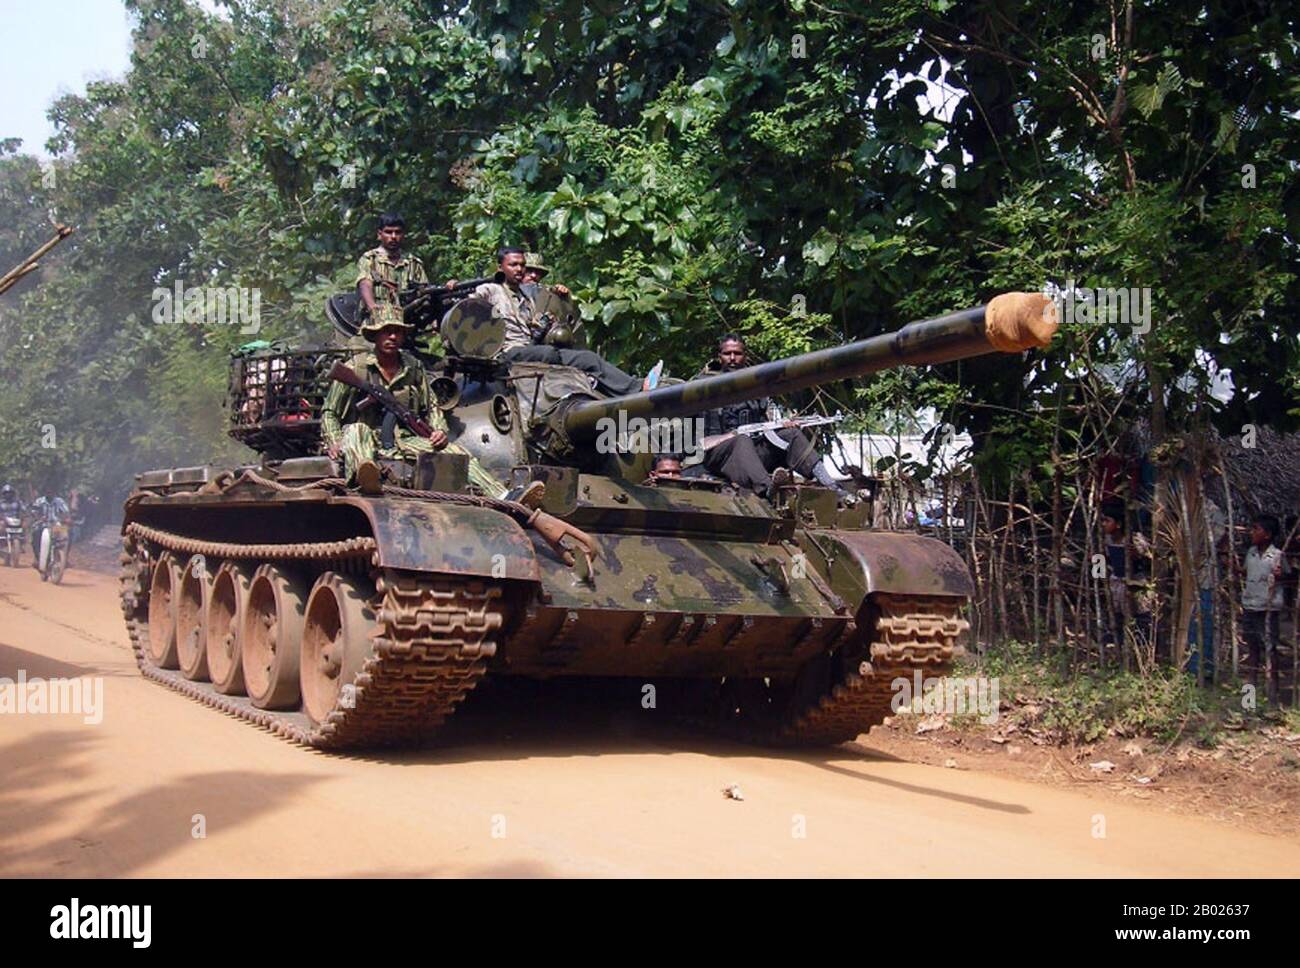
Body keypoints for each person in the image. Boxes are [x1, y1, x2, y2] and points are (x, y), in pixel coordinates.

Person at [321, 306, 509, 498]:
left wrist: (439, 431)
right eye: (386, 331)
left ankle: (503, 495)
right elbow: (329, 411)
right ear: (375, 335)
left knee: (456, 452)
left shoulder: (413, 368)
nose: (392, 337)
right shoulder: (357, 367)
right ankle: (366, 478)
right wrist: (334, 440)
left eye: (398, 332)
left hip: (405, 440)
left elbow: (432, 406)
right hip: (363, 439)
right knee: (356, 430)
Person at [467, 247, 650, 395]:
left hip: (529, 349)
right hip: (507, 352)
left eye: (522, 265)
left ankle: (635, 387)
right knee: (549, 354)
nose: (519, 269)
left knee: (587, 358)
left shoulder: (527, 298)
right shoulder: (491, 290)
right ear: (500, 267)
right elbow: (466, 305)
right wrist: (454, 288)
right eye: (513, 265)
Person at [692, 333, 849, 501]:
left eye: (737, 353)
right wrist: (678, 461)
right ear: (719, 356)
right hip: (717, 456)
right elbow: (685, 426)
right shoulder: (702, 386)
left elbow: (763, 425)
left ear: (745, 356)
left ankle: (831, 486)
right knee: (741, 440)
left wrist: (780, 426)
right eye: (727, 353)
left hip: (751, 455)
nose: (732, 358)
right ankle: (768, 490)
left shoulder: (754, 386)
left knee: (791, 434)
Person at [1239, 513, 1290, 705]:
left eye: (1256, 529)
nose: (1252, 532)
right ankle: (1248, 701)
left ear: (1267, 534)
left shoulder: (1277, 555)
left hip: (1268, 609)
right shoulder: (1251, 553)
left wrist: (1280, 574)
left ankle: (1272, 697)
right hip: (1250, 607)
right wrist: (1233, 567)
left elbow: (1287, 576)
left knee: (1270, 651)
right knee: (1252, 652)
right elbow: (1246, 572)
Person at [356, 213, 428, 327]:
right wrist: (373, 308)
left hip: (405, 323)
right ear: (379, 234)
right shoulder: (370, 259)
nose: (393, 236)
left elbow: (425, 292)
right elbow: (365, 283)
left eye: (398, 232)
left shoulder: (413, 263)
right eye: (388, 232)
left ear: (403, 235)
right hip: (375, 323)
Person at [1099, 502, 1153, 651]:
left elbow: (1150, 558)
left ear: (1118, 524)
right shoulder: (1106, 540)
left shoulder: (1135, 539)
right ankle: (1117, 642)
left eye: (1107, 521)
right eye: (1103, 520)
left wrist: (1136, 554)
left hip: (1136, 581)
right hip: (1116, 581)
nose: (1103, 524)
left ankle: (1142, 645)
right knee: (1115, 612)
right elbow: (1103, 561)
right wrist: (1099, 574)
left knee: (1141, 613)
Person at [29, 488, 70, 566]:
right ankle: (38, 558)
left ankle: (64, 557)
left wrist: (66, 519)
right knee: (35, 535)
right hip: (42, 525)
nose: (50, 494)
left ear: (54, 493)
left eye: (51, 492)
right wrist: (39, 518)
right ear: (45, 493)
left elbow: (66, 512)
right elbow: (33, 512)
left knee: (68, 534)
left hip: (56, 525)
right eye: (48, 492)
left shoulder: (59, 501)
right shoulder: (39, 501)